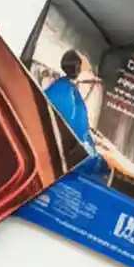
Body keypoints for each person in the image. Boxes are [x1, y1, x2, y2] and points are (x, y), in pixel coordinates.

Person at [43, 50, 105, 181]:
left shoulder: (57, 86)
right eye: (83, 58)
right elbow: (78, 127)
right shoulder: (71, 93)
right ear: (79, 66)